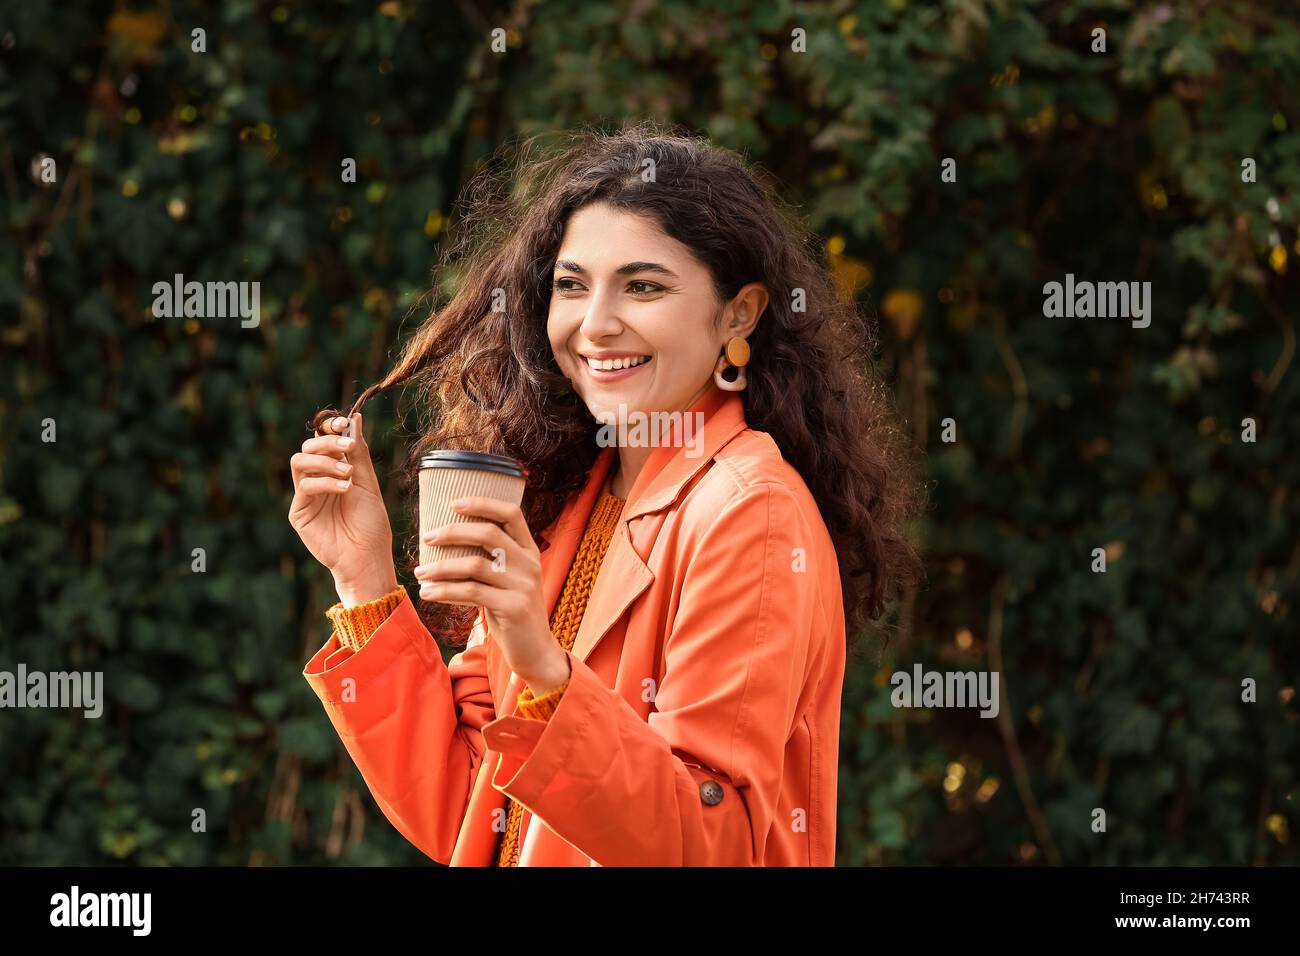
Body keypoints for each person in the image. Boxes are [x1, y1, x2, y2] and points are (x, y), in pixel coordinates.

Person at [287, 122, 924, 866]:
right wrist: (364, 579)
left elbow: (710, 842)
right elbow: (470, 813)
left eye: (644, 286)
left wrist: (541, 660)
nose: (595, 325)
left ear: (738, 315)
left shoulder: (752, 512)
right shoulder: (565, 498)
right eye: (571, 285)